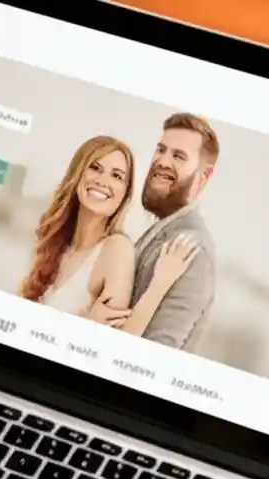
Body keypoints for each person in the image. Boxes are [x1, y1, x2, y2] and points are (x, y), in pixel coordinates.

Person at [20, 136, 198, 329]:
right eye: (95, 168)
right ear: (77, 174)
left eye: (117, 176)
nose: (103, 181)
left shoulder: (116, 250)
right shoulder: (54, 245)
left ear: (124, 194)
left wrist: (160, 285)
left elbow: (120, 341)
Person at [90, 113, 219, 350]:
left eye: (178, 156)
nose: (162, 162)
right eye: (161, 150)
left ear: (204, 177)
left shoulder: (191, 249)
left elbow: (155, 354)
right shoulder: (162, 230)